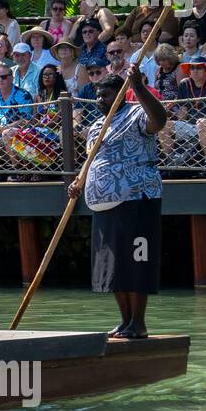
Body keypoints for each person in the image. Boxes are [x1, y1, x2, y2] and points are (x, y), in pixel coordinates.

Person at [67, 65, 166, 340]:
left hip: (138, 197)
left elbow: (159, 120)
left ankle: (139, 322)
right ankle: (125, 322)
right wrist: (80, 182)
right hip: (104, 203)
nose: (101, 100)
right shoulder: (97, 126)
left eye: (107, 95)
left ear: (121, 94)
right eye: (98, 96)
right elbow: (91, 161)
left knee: (135, 260)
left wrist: (139, 87)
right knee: (113, 264)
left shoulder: (136, 113)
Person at [163, 59, 206, 169]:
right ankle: (170, 163)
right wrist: (172, 118)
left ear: (205, 70)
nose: (195, 71)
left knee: (201, 122)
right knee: (164, 126)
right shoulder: (184, 83)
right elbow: (183, 111)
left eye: (199, 68)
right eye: (192, 68)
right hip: (190, 125)